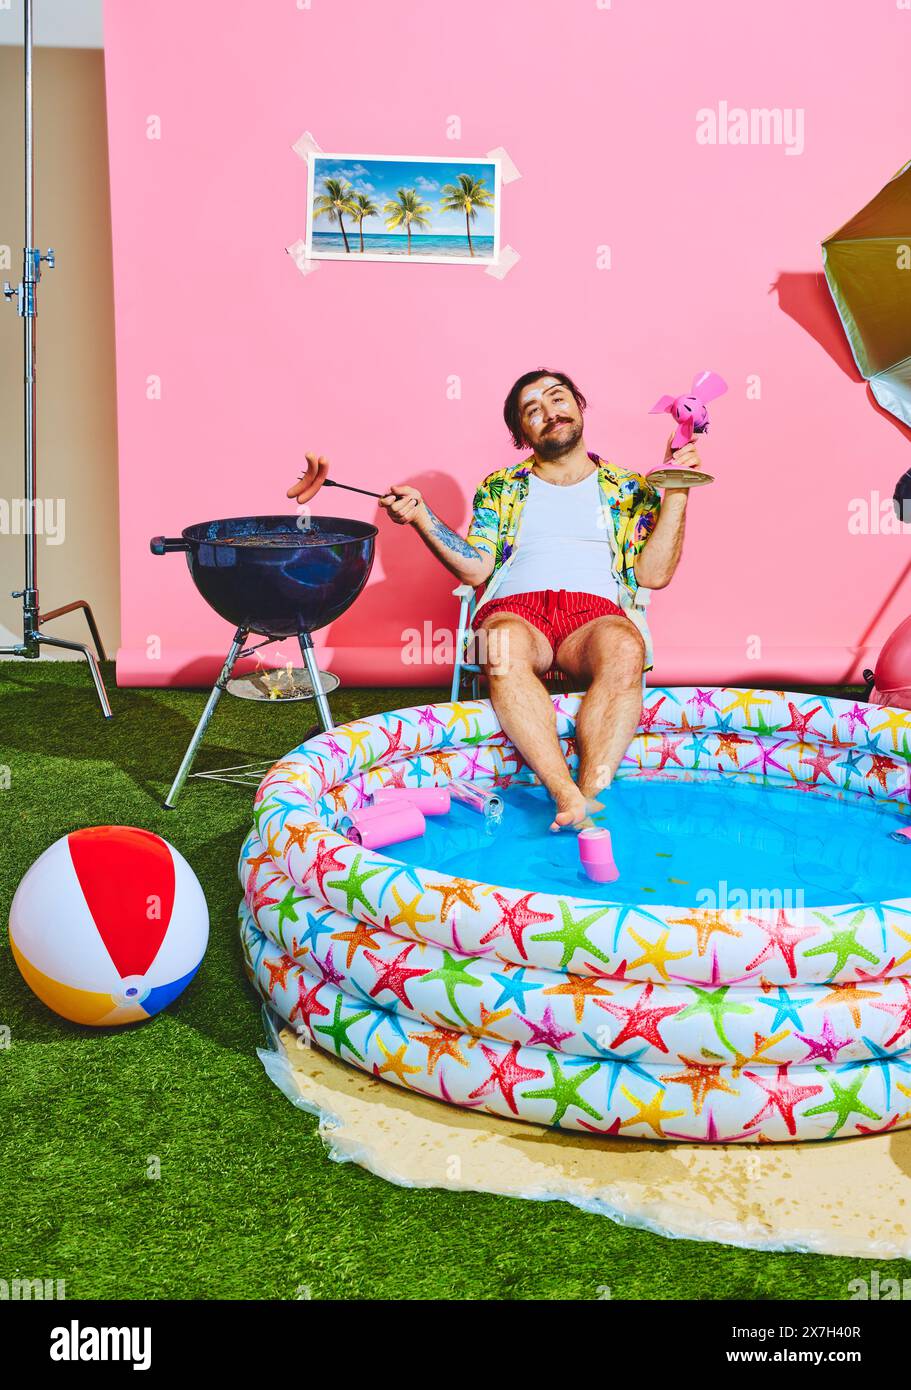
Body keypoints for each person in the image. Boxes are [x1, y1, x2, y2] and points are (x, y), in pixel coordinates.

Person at [313, 368, 700, 829]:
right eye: (531, 411)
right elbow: (476, 567)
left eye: (557, 399)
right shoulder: (501, 486)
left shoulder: (629, 487)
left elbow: (652, 575)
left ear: (578, 404)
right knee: (500, 646)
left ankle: (593, 794)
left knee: (625, 647)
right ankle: (564, 793)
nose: (549, 413)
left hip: (596, 616)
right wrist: (421, 516)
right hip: (517, 611)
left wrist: (676, 488)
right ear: (522, 433)